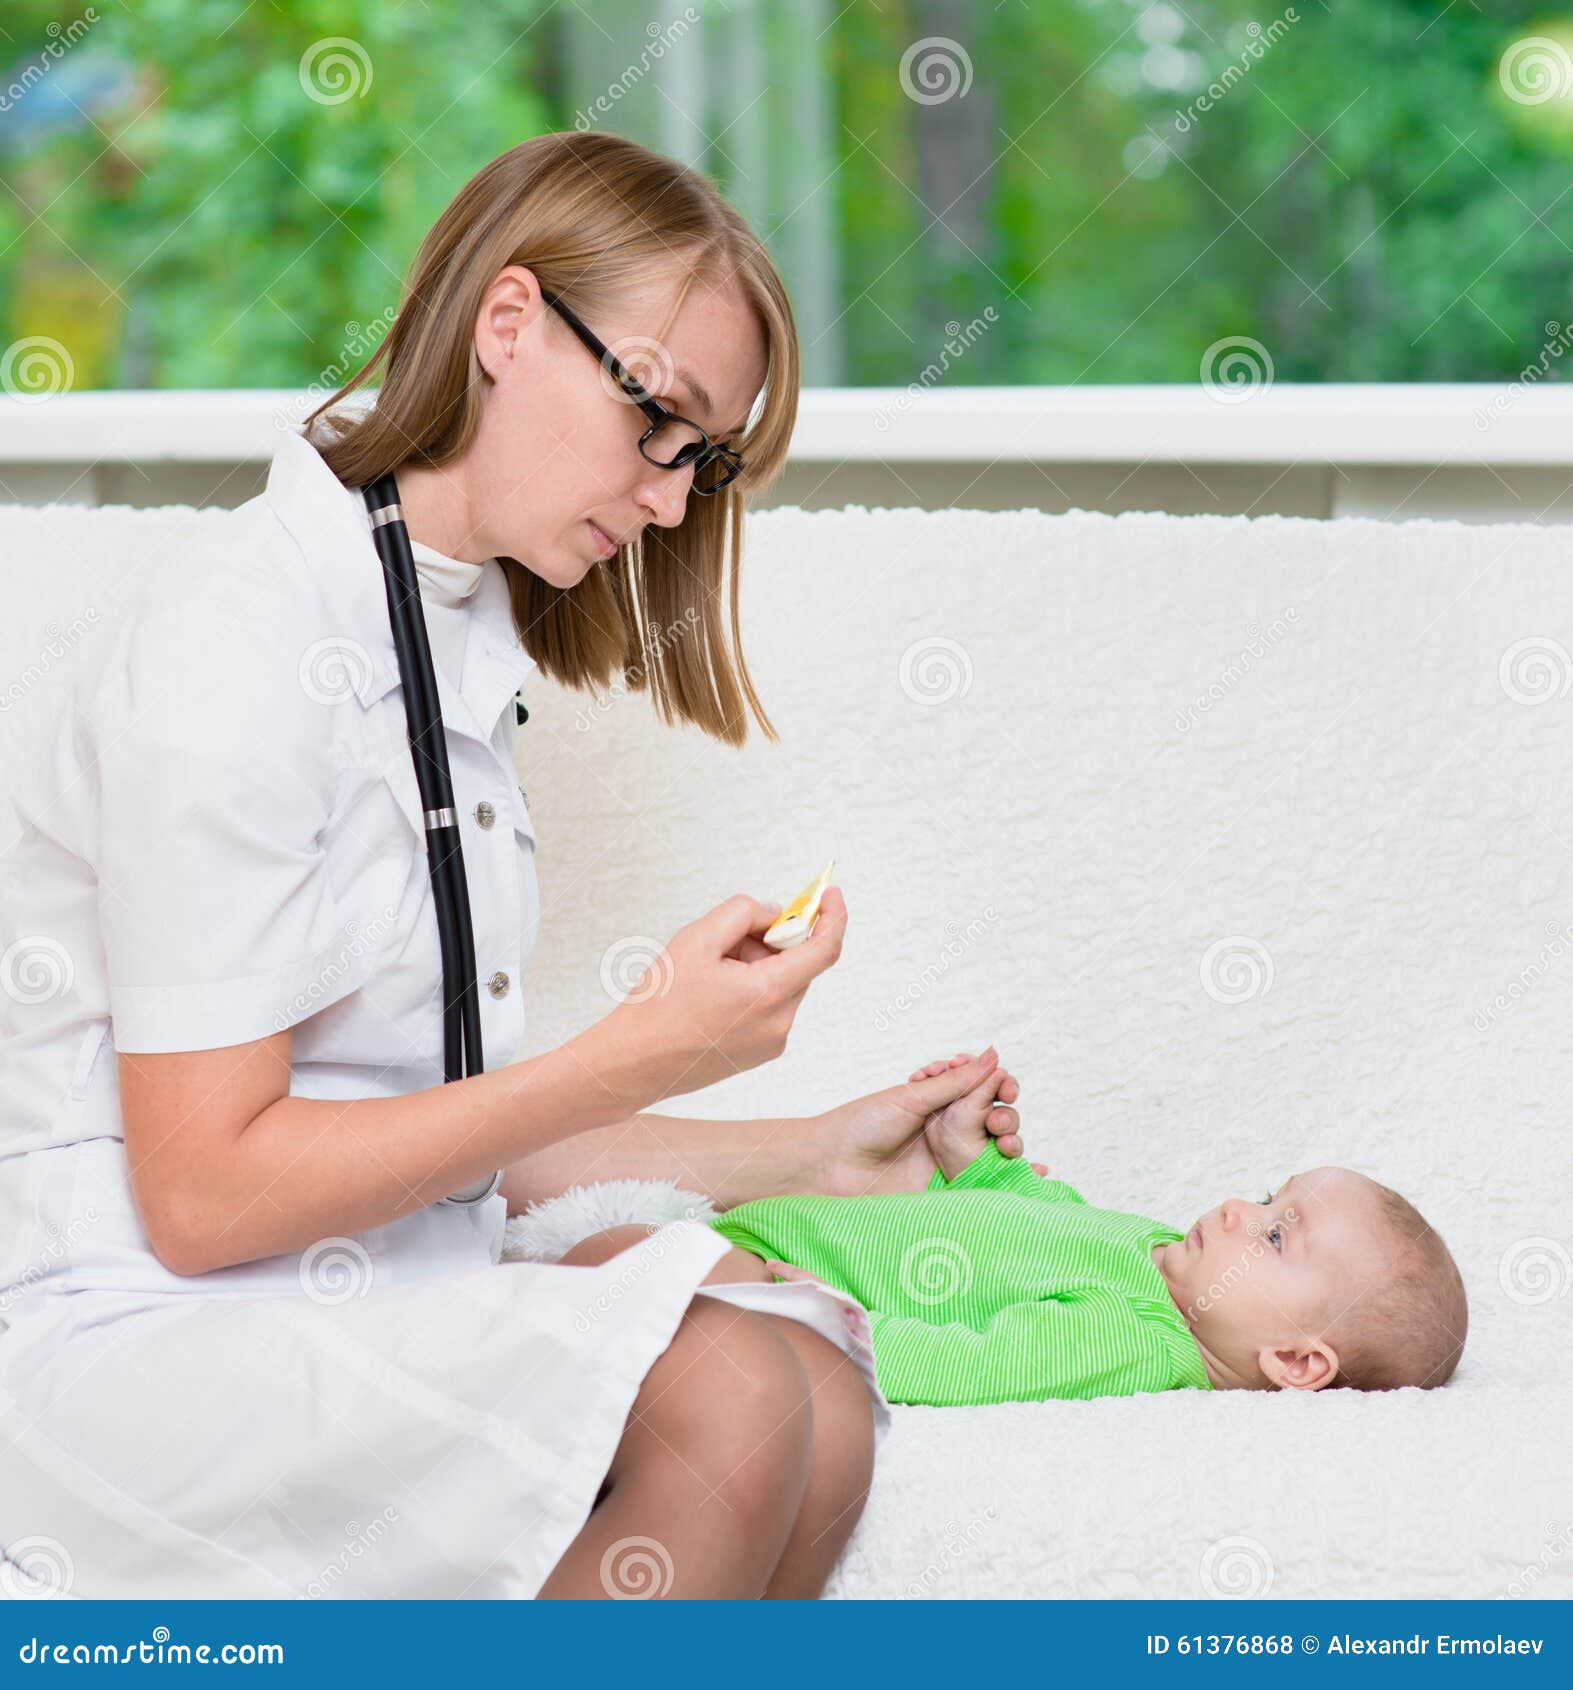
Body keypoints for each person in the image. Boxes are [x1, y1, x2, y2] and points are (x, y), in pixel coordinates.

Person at [0, 132, 1030, 1602]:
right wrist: (635, 1056)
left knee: (807, 1366)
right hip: (135, 1346)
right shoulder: (237, 644)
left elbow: (425, 1144)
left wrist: (814, 1145)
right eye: (658, 426)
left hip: (338, 1301)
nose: (672, 503)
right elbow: (205, 1193)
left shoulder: (451, 645)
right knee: (734, 1389)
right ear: (506, 325)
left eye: (705, 461)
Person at [565, 1052, 1470, 1403]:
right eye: (1267, 1195)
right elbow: (1040, 1217)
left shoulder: (1142, 1346)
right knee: (599, 1264)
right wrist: (970, 1155)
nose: (1240, 1210)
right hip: (761, 1240)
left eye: (1276, 1236)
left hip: (777, 1287)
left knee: (613, 1268)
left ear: (1297, 1362)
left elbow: (972, 1362)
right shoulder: (1160, 1256)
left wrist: (808, 1318)